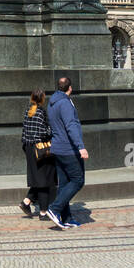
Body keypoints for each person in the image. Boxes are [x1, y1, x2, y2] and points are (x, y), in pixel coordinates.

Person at [45, 76, 88, 230]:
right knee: (78, 180)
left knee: (64, 185)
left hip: (57, 148)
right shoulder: (65, 103)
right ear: (70, 88)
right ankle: (54, 209)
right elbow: (71, 125)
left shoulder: (52, 103)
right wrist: (80, 146)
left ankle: (67, 218)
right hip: (68, 149)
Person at [20, 89, 56, 220]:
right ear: (42, 99)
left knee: (38, 178)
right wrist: (51, 128)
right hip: (40, 149)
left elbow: (24, 131)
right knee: (44, 180)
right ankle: (43, 212)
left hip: (29, 148)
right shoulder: (41, 112)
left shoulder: (27, 111)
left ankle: (27, 201)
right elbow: (44, 133)